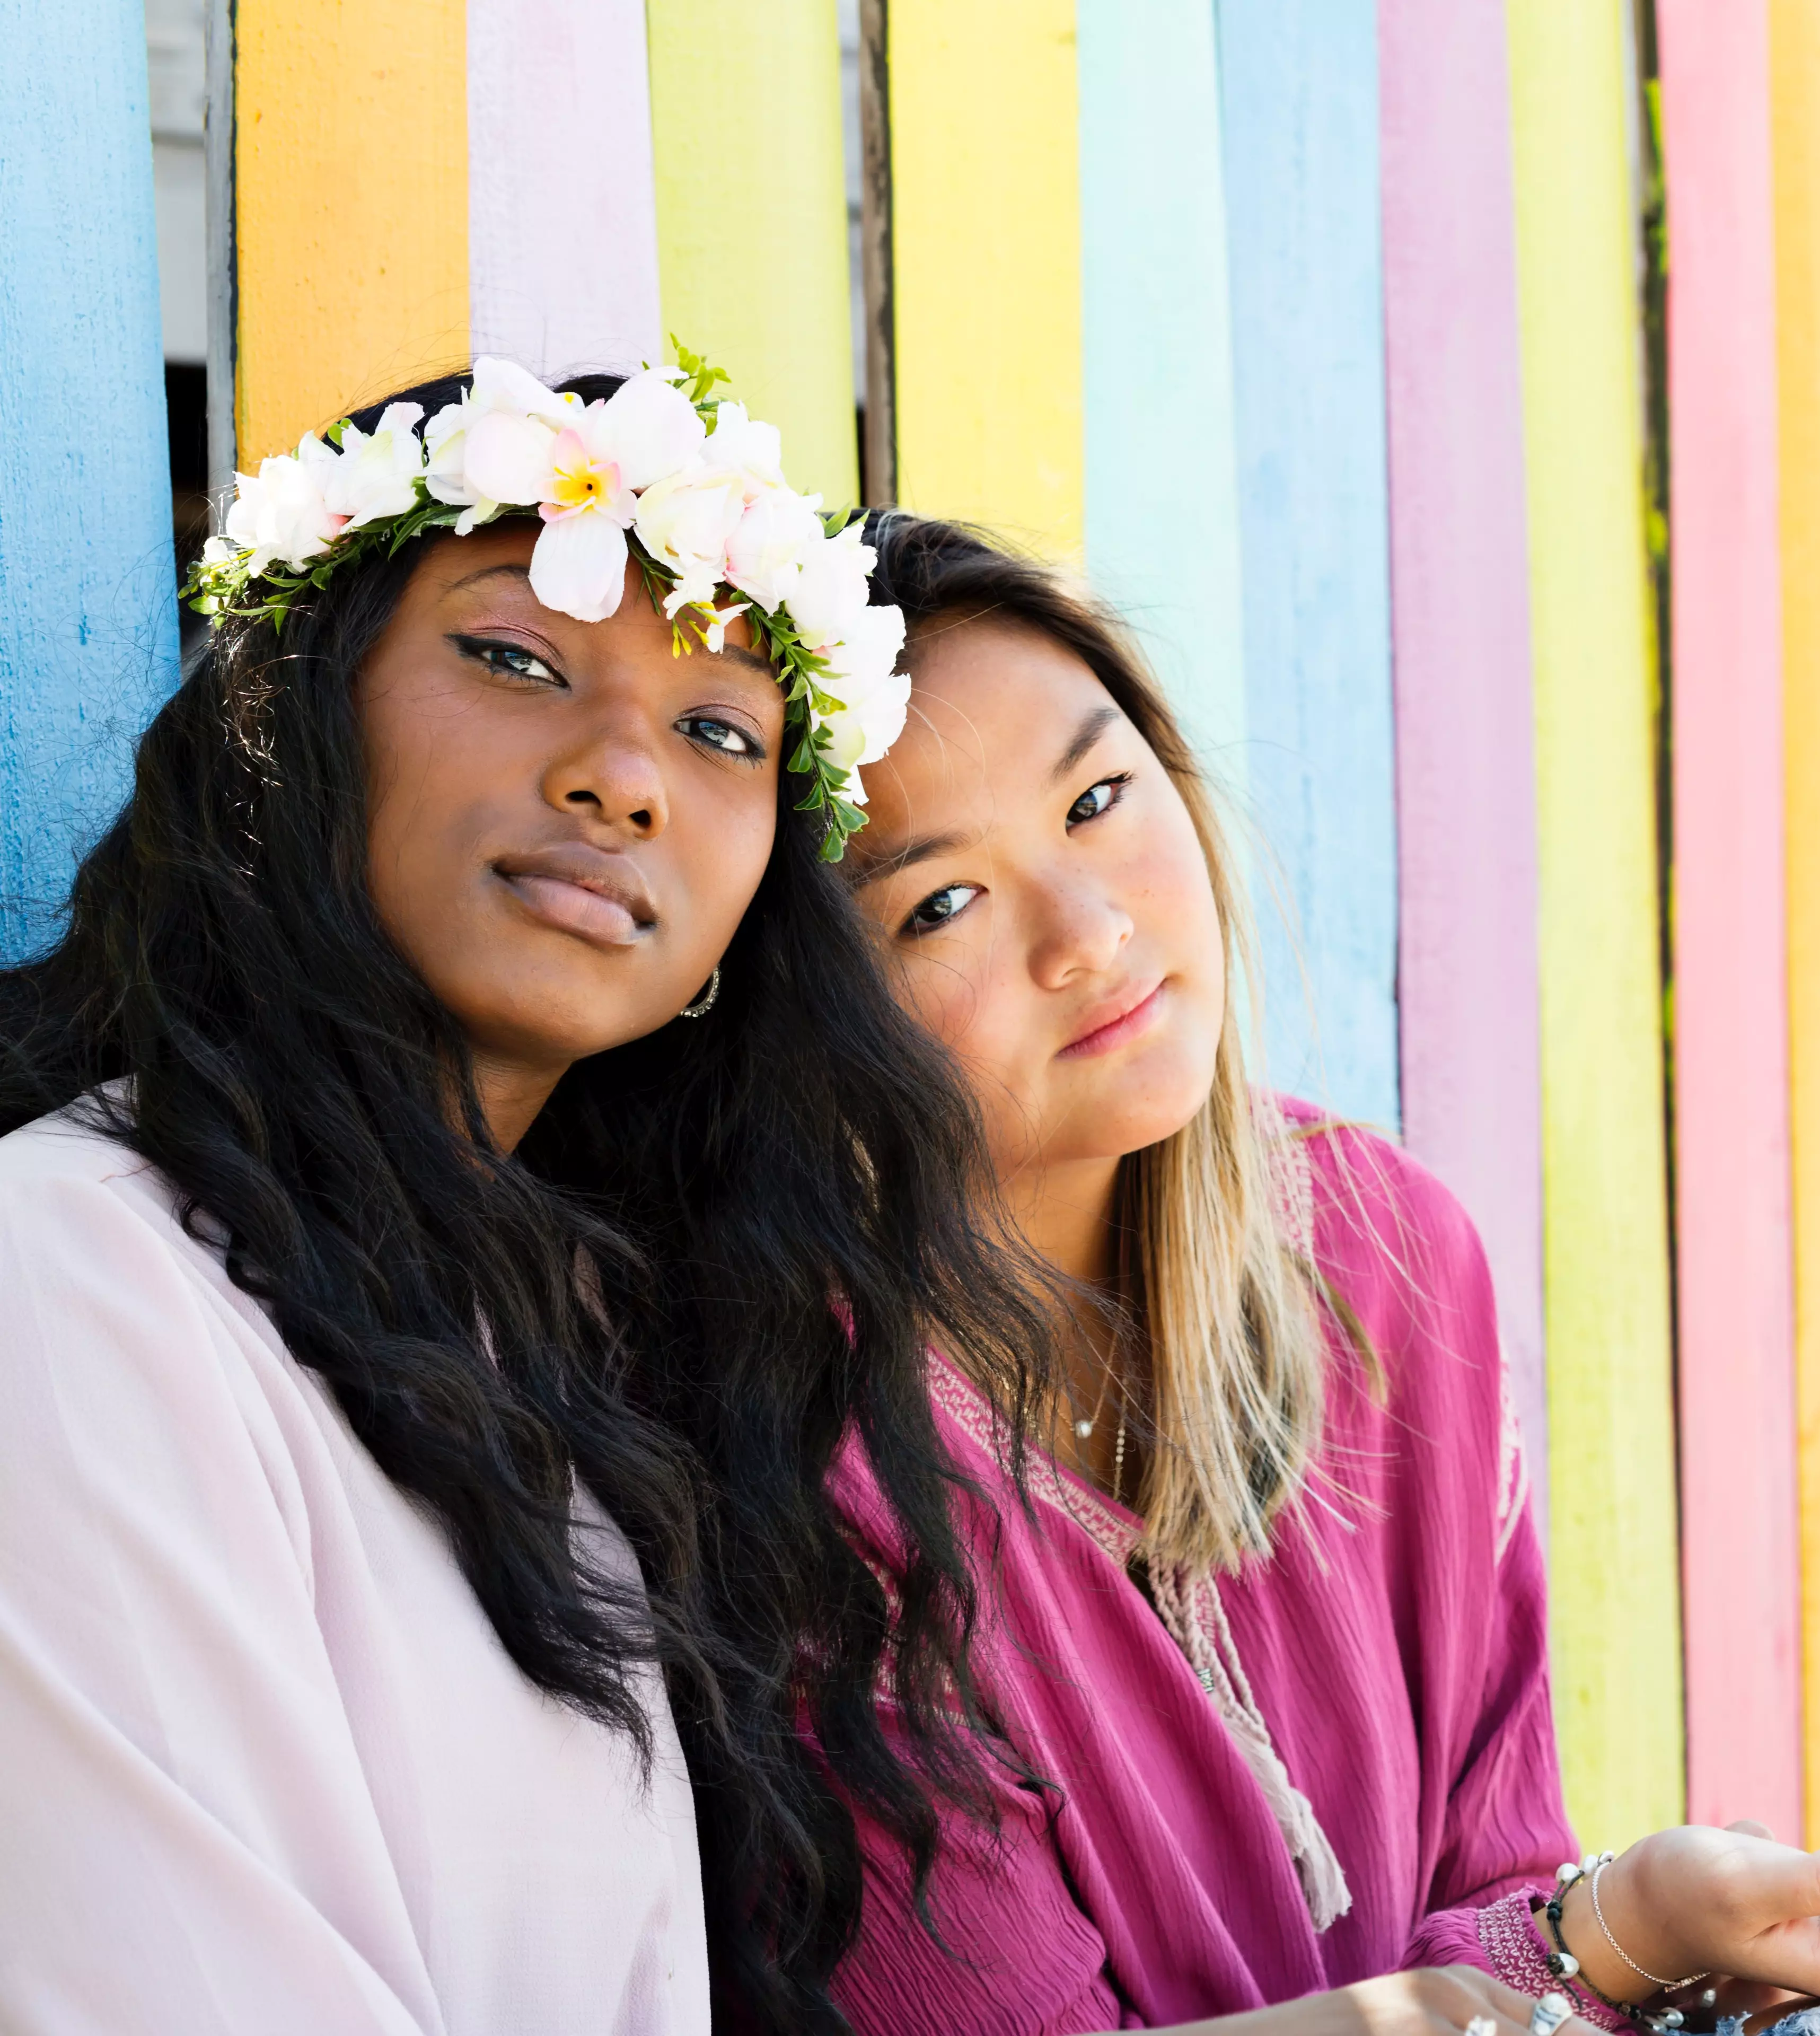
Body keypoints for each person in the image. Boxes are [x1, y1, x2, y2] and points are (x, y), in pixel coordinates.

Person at [824, 514, 1820, 2036]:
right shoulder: (825, 1474)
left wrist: (1661, 1924)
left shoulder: (1379, 1259)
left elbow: (1496, 1895)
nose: (1095, 931)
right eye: (940, 904)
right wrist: (1619, 1933)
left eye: (1100, 797)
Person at [0, 363, 1057, 2034]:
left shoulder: (571, 1374)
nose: (626, 777)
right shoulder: (69, 1276)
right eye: (511, 657)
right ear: (296, 717)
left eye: (720, 732)